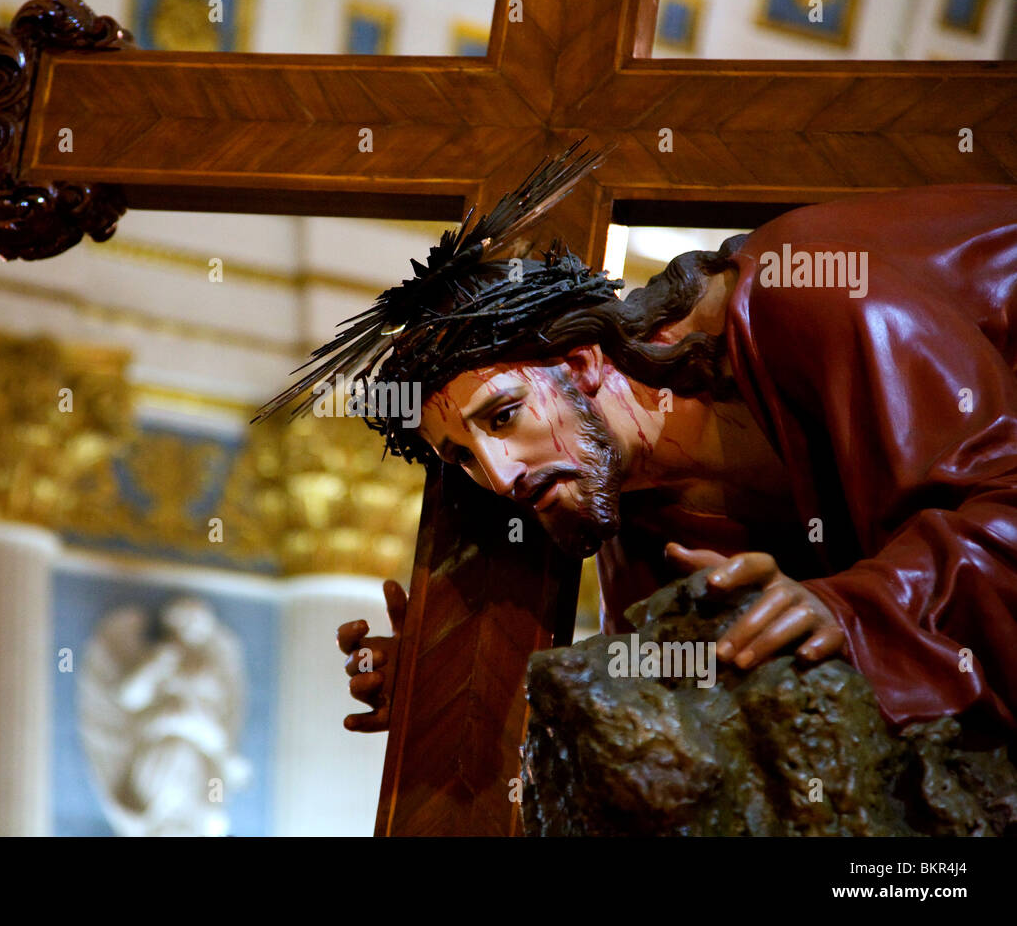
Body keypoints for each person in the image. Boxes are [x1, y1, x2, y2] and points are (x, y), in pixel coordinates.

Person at [256, 143, 1017, 747]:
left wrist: (850, 613)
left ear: (582, 363)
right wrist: (446, 689)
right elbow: (670, 707)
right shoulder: (643, 526)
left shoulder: (807, 293)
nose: (499, 475)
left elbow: (1005, 508)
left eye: (502, 415)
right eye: (461, 459)